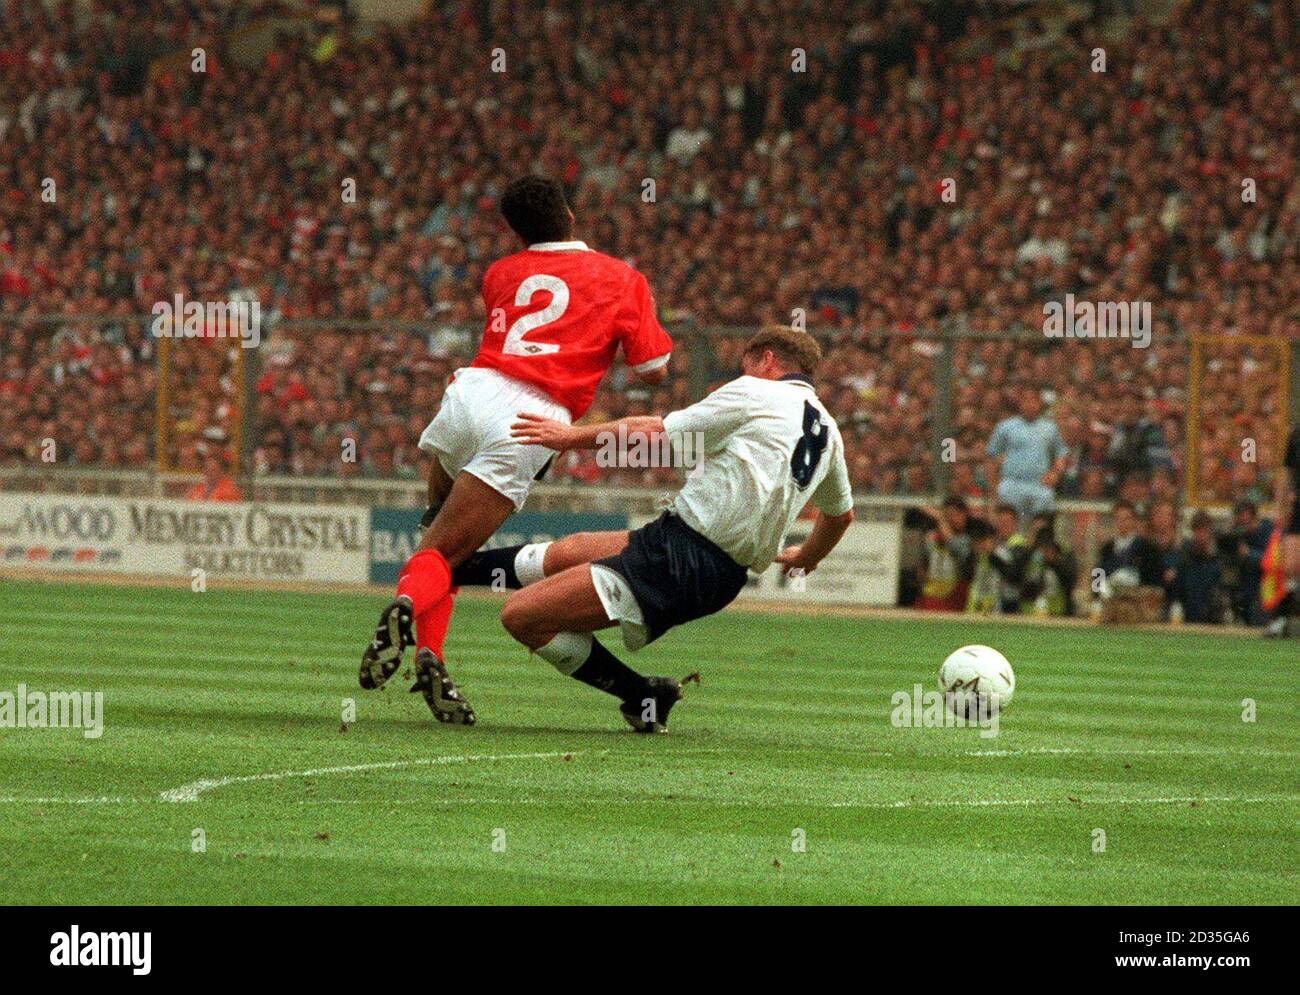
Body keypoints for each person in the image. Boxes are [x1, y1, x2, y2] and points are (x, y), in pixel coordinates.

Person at [357, 175, 673, 724]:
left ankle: (429, 648)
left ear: (514, 228)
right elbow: (653, 370)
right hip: (532, 417)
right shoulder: (622, 278)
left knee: (436, 541)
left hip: (470, 390)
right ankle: (409, 605)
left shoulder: (500, 273)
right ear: (570, 215)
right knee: (444, 555)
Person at [452, 326, 854, 732]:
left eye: (746, 366)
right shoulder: (829, 432)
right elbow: (840, 516)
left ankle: (642, 693)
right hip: (703, 557)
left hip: (685, 559)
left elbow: (653, 432)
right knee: (572, 551)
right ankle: (451, 568)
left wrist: (572, 438)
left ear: (767, 359)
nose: (741, 375)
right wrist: (806, 557)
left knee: (522, 616)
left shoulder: (756, 393)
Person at [984, 386, 1069, 524]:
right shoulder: (1005, 426)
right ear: (1020, 403)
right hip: (1011, 485)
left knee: (1041, 528)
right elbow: (990, 456)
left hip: (1040, 487)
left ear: (1039, 403)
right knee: (1009, 529)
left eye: (1033, 400)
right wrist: (994, 486)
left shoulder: (1050, 428)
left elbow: (1062, 454)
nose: (1029, 404)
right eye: (1025, 400)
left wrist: (1055, 473)